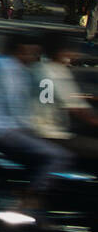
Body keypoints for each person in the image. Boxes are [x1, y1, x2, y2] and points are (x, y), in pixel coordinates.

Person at [0, 32, 70, 213]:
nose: (33, 56)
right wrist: (36, 129)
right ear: (20, 49)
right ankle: (28, 198)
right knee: (58, 156)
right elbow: (15, 105)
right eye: (31, 52)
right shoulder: (8, 68)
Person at [33, 32, 98, 162]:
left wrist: (90, 98)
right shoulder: (56, 73)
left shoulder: (39, 69)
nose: (74, 54)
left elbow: (61, 96)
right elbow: (79, 111)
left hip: (39, 128)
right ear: (60, 52)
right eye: (70, 50)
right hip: (51, 133)